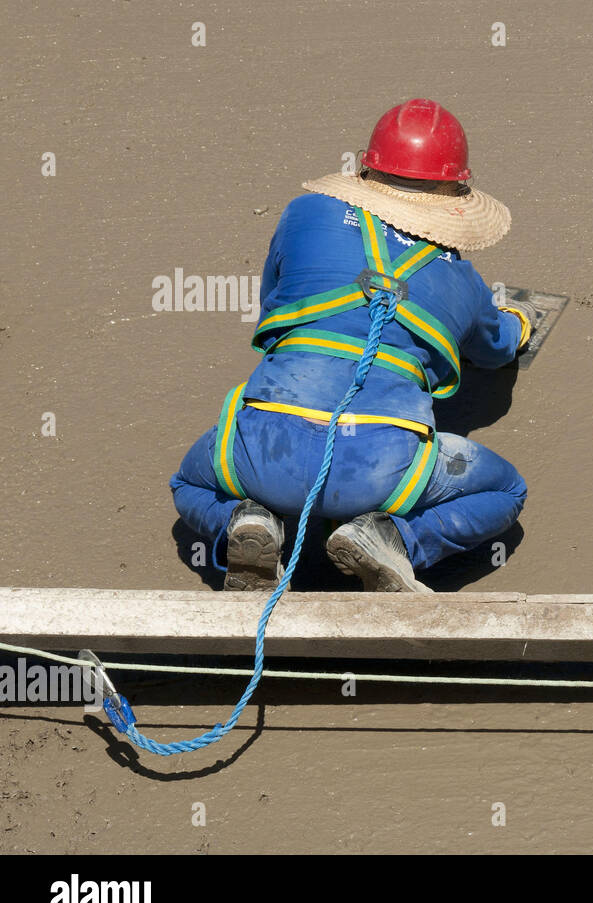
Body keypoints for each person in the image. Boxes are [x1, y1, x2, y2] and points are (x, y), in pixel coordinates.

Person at [171, 99, 531, 592]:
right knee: (506, 489)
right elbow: (497, 349)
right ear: (454, 191)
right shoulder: (462, 279)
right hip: (381, 474)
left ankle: (248, 522)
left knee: (189, 483)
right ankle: (392, 537)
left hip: (263, 451)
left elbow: (273, 309)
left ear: (367, 169)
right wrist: (518, 320)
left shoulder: (305, 213)